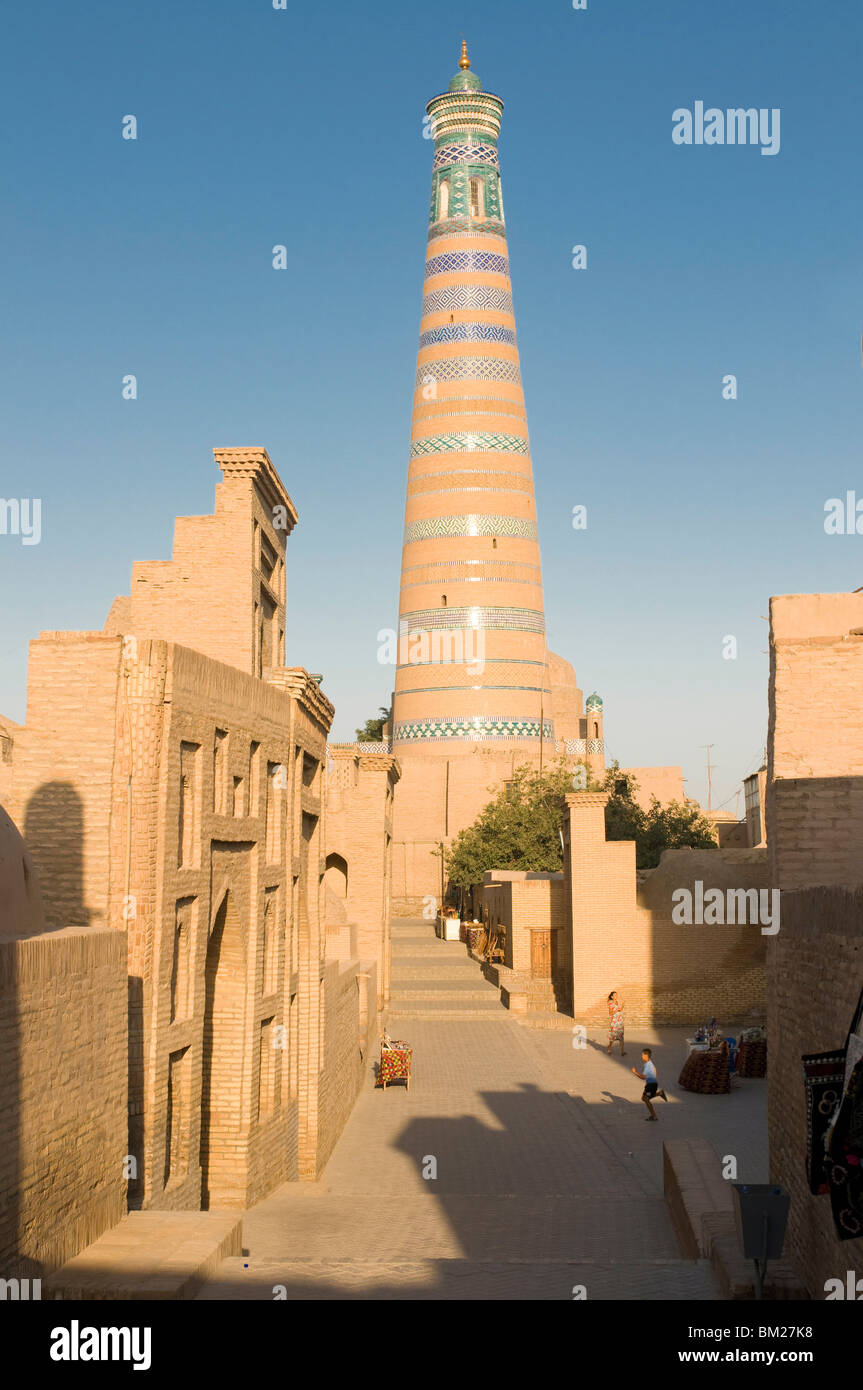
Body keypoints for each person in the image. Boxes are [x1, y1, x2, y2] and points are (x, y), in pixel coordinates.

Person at [632, 1047, 668, 1120]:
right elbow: (655, 1070)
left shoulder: (648, 1065)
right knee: (644, 1098)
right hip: (652, 1084)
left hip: (651, 1085)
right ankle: (660, 1093)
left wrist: (635, 1072)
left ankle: (654, 1116)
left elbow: (643, 1077)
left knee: (645, 1099)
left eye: (642, 1055)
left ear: (646, 1055)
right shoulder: (649, 1063)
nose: (641, 1056)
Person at [607, 990, 625, 1056]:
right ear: (612, 996)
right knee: (613, 1036)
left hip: (620, 1021)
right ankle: (609, 1048)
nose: (616, 996)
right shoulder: (610, 1003)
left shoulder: (618, 1002)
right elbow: (610, 1013)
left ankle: (622, 1051)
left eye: (616, 995)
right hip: (614, 1021)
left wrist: (623, 1005)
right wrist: (616, 1011)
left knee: (621, 1036)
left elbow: (620, 1009)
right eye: (615, 995)